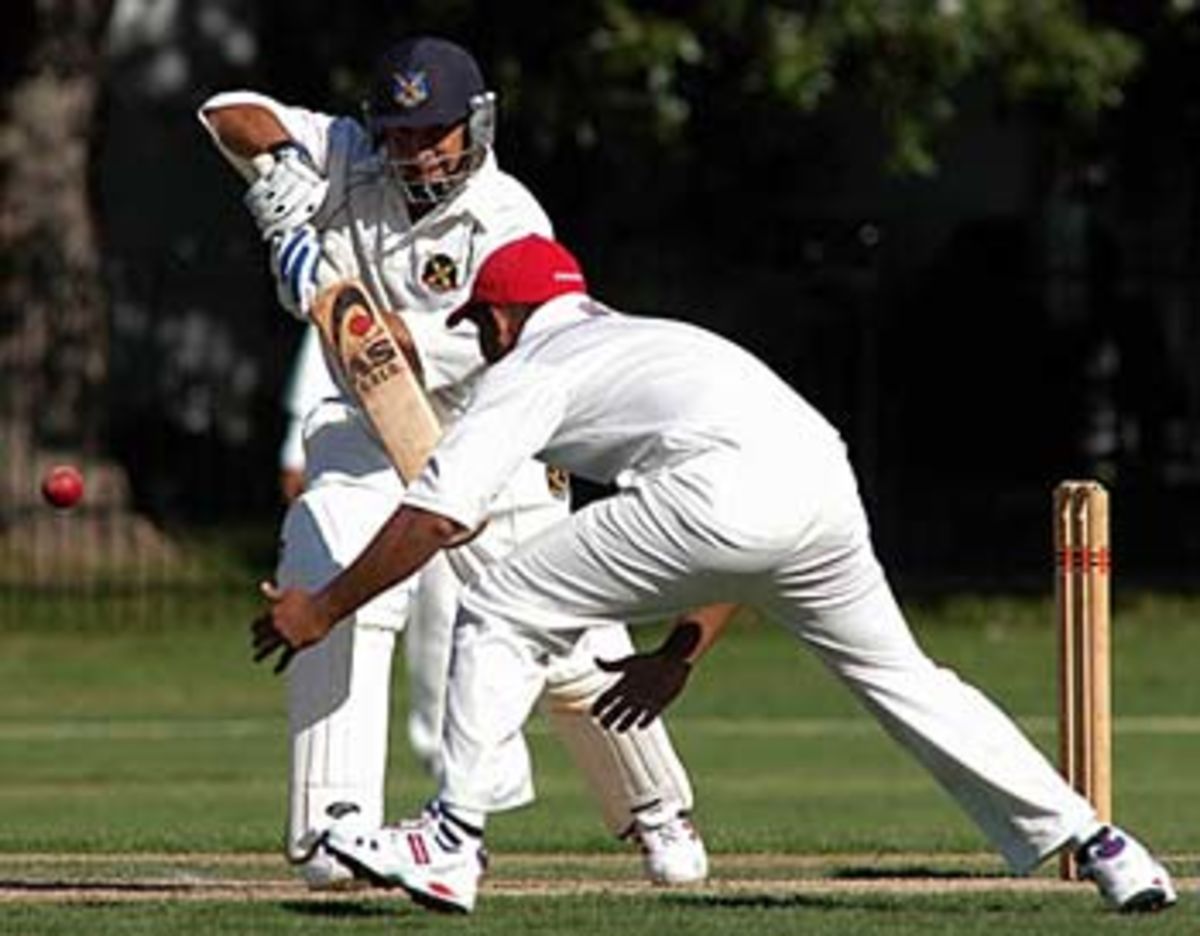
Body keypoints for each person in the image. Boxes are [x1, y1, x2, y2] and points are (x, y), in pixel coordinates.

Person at [253, 234, 1179, 916]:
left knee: (497, 600)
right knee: (908, 682)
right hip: (821, 487)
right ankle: (1106, 844)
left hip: (729, 494)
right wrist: (680, 653)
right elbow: (756, 522)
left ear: (502, 317)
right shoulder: (661, 340)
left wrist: (323, 609)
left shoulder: (535, 364)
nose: (482, 339)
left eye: (481, 324)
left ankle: (453, 838)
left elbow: (438, 513)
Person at [199, 36, 710, 889]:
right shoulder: (350, 154)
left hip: (492, 437)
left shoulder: (509, 216)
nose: (417, 151)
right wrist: (283, 171)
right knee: (328, 554)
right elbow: (224, 114)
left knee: (561, 640)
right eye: (400, 132)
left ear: (473, 125)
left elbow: (407, 348)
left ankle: (657, 808)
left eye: (434, 132)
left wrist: (331, 288)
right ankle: (334, 827)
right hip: (368, 439)